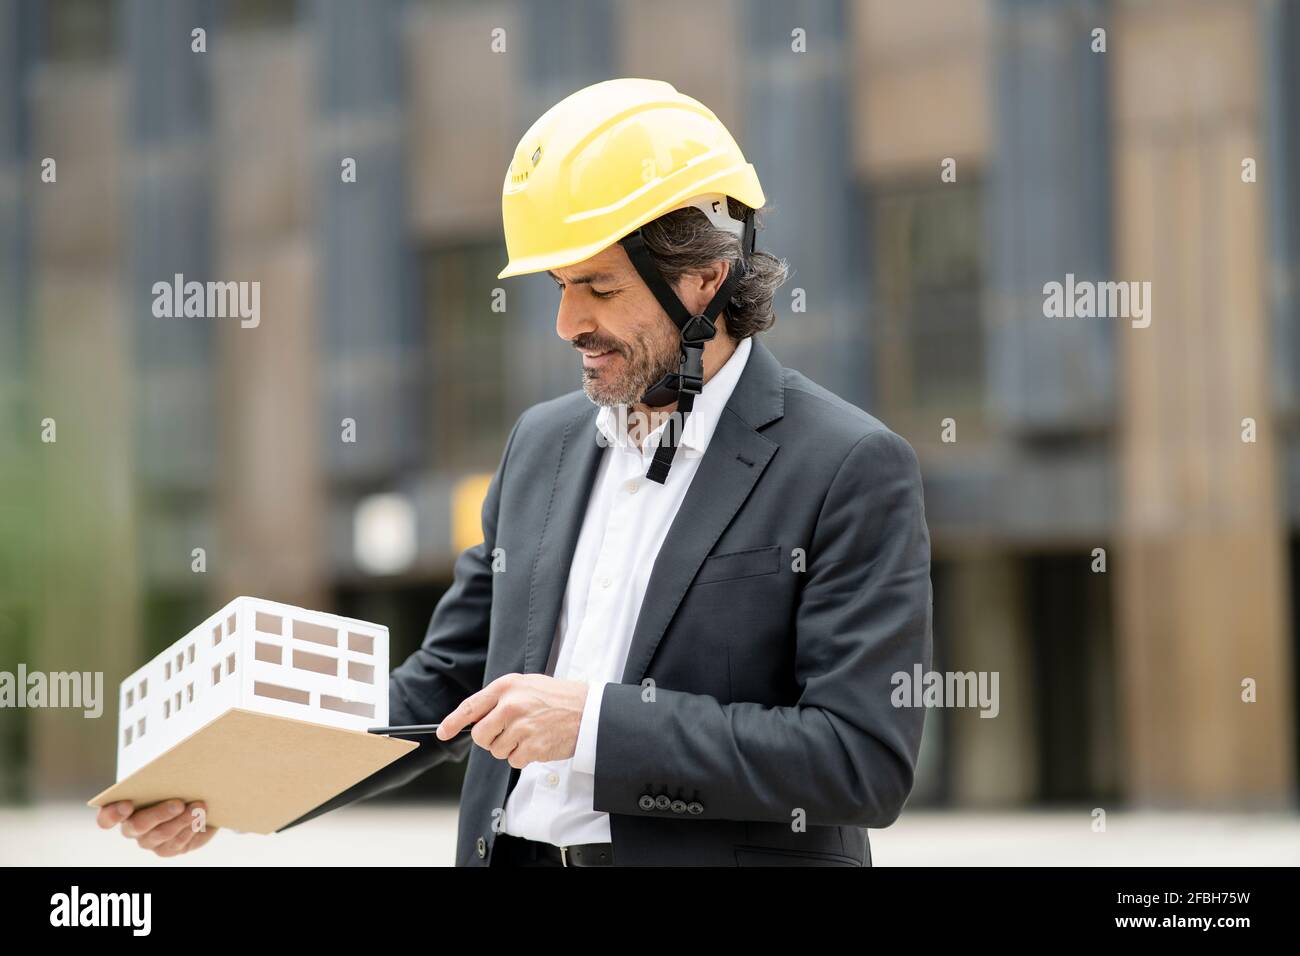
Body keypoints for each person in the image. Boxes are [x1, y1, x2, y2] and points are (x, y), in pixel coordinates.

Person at [96, 77, 933, 866]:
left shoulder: (849, 467)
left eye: (598, 287)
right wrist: (236, 786)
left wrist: (594, 725)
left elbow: (859, 759)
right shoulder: (542, 443)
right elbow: (448, 684)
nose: (568, 322)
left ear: (705, 279)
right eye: (561, 286)